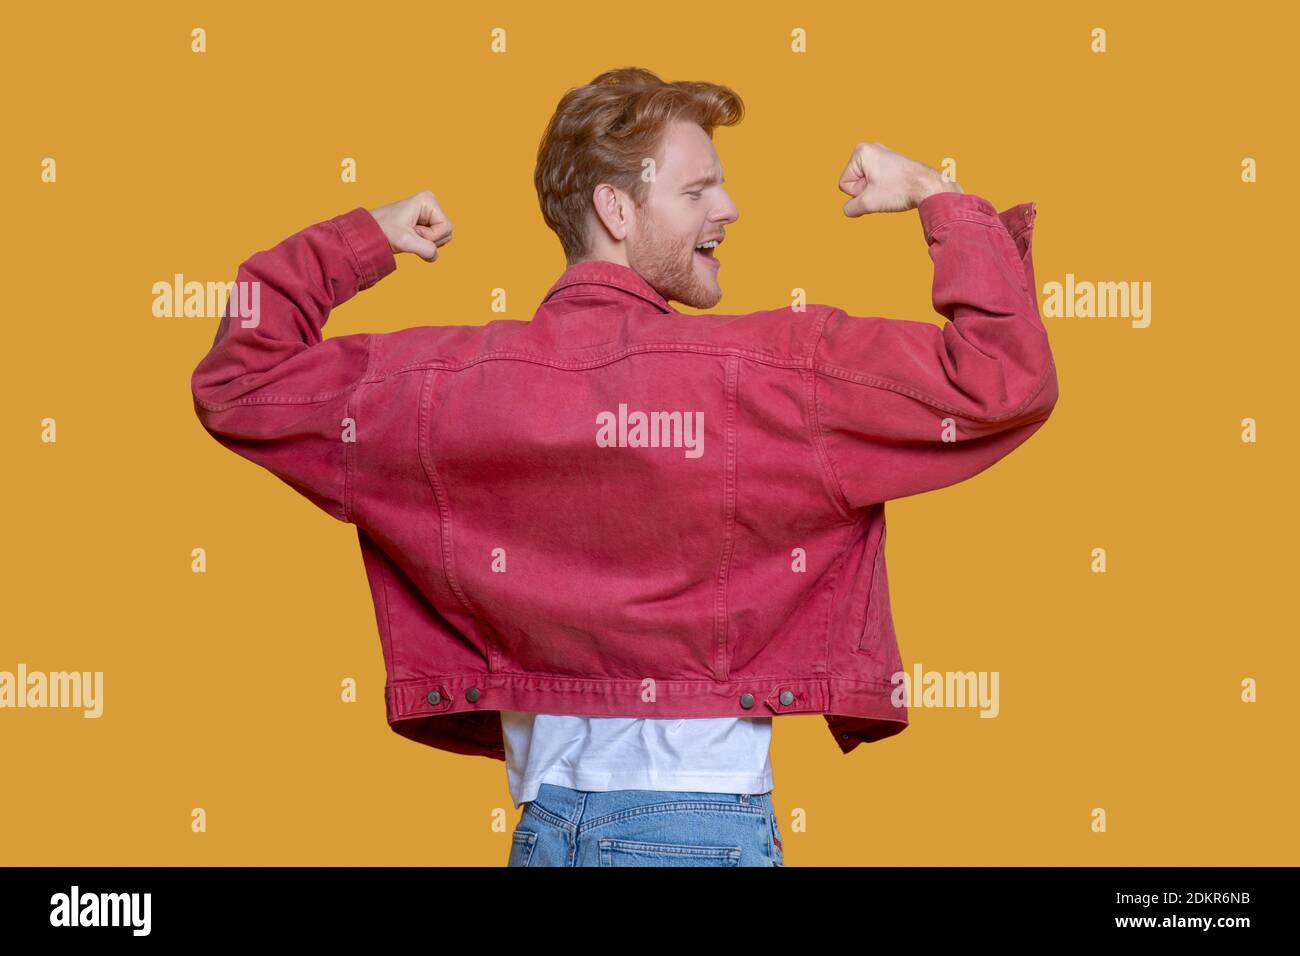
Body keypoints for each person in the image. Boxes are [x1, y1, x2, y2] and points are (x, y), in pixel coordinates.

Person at [191, 67, 1056, 868]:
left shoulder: (435, 390)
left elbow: (240, 380)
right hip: (699, 829)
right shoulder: (779, 374)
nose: (731, 207)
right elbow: (1000, 380)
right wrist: (939, 197)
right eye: (697, 188)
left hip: (544, 829)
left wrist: (364, 238)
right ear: (615, 207)